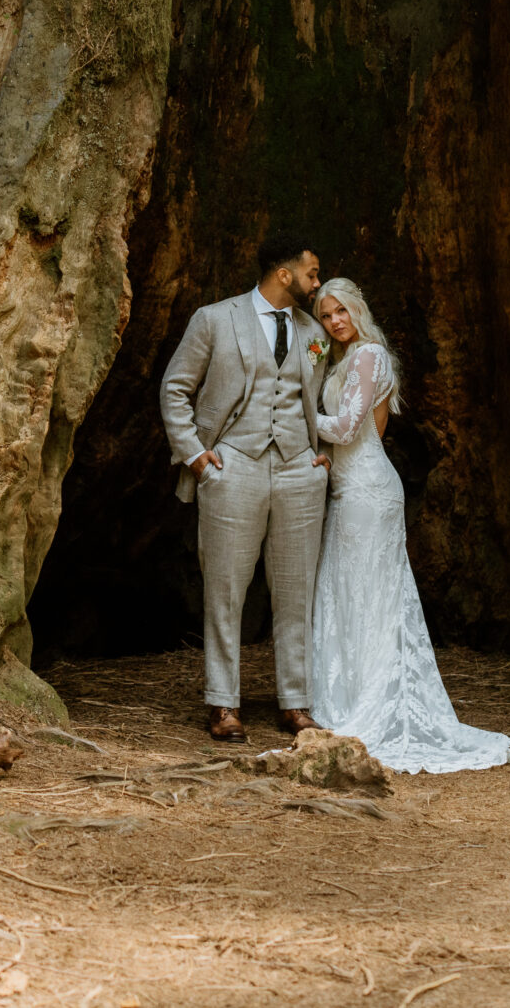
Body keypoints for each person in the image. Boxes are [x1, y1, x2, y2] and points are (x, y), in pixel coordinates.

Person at [308, 278, 510, 773]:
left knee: (371, 596)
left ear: (358, 309)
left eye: (342, 311)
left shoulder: (368, 356)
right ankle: (342, 699)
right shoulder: (340, 358)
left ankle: (373, 705)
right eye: (325, 315)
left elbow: (346, 428)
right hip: (348, 486)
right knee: (347, 592)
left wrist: (294, 415)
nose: (335, 321)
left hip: (368, 491)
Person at [159, 237, 333, 743]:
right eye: (312, 273)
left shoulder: (312, 331)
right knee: (226, 589)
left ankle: (295, 703)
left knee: (297, 590)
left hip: (300, 470)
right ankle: (222, 703)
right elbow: (175, 388)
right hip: (233, 467)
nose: (317, 283)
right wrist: (195, 455)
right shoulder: (215, 319)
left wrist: (318, 451)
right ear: (284, 273)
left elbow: (315, 394)